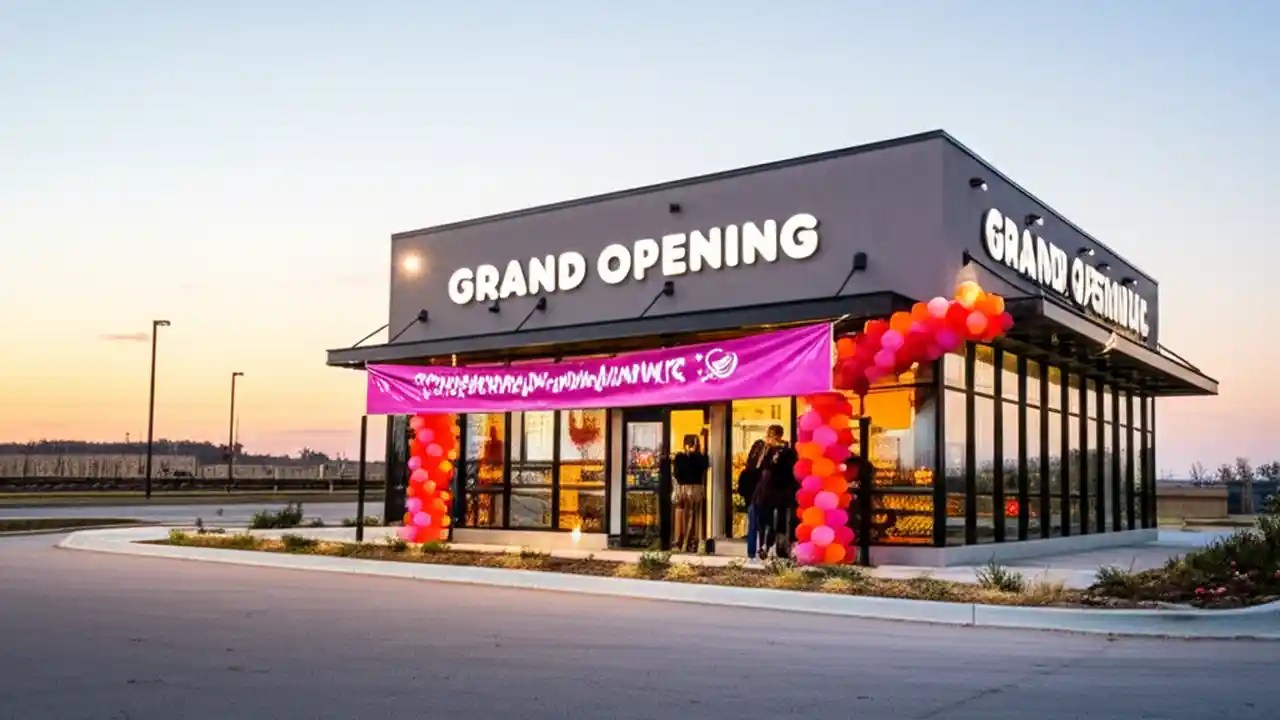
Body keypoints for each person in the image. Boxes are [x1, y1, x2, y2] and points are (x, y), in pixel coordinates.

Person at [737, 425, 785, 559]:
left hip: (765, 496)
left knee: (763, 524)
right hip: (758, 496)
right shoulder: (762, 458)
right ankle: (755, 552)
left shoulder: (777, 454)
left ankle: (759, 551)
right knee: (758, 524)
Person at [752, 426, 798, 560]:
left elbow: (788, 472)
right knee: (765, 519)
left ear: (777, 436)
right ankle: (764, 546)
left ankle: (780, 547)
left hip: (781, 491)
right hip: (766, 492)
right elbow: (758, 467)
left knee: (780, 520)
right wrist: (765, 452)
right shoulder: (766, 451)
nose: (768, 438)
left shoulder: (787, 452)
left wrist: (777, 458)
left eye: (771, 435)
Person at [671, 434, 709, 552]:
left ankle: (682, 541)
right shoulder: (696, 457)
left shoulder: (681, 457)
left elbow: (677, 473)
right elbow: (704, 466)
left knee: (685, 514)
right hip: (694, 487)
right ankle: (690, 541)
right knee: (692, 515)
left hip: (685, 487)